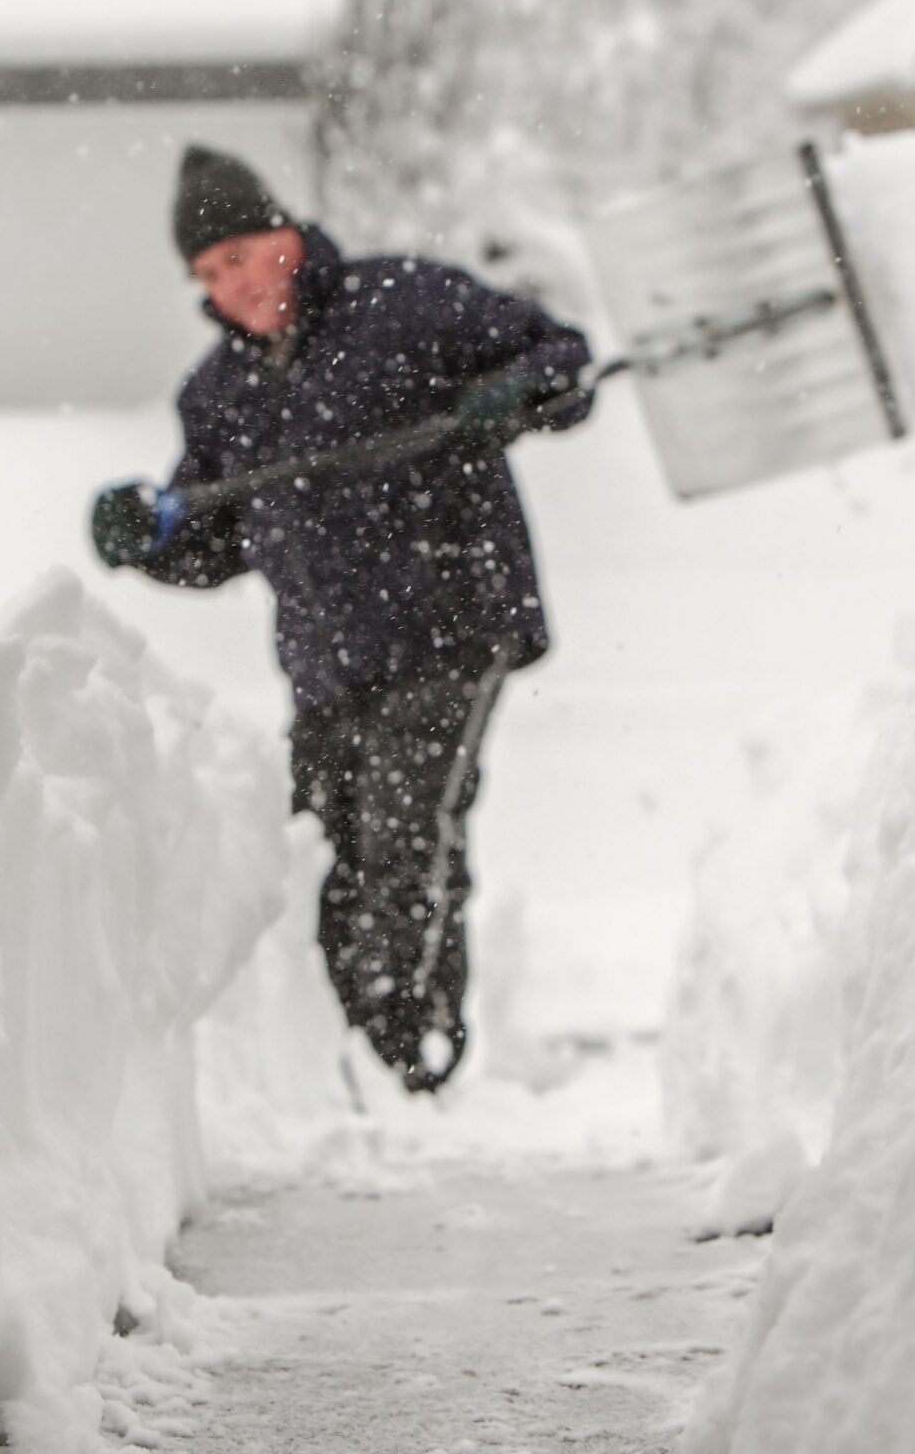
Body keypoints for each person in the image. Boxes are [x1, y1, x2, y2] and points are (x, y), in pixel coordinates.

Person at [89, 145, 593, 1094]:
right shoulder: (219, 393)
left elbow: (562, 357)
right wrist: (145, 535)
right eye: (205, 274)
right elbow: (213, 537)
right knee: (325, 840)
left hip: (453, 618)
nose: (228, 287)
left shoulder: (406, 301)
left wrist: (517, 393)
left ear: (284, 234)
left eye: (237, 257)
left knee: (407, 829)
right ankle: (345, 1054)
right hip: (329, 658)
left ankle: (410, 1045)